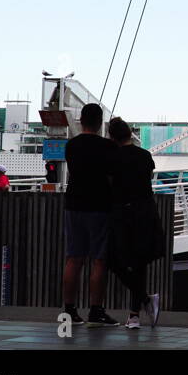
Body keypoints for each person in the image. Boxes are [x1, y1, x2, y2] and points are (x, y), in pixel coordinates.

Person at [62, 103, 120, 327]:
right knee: (98, 259)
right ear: (99, 123)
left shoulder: (71, 146)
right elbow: (114, 175)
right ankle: (96, 310)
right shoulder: (108, 147)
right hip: (99, 206)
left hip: (73, 204)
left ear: (81, 121)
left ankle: (69, 310)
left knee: (73, 258)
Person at [107, 117, 163, 329]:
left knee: (115, 261)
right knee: (140, 262)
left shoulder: (112, 158)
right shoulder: (145, 156)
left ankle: (144, 304)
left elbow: (110, 185)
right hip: (145, 212)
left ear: (112, 137)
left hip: (122, 213)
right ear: (130, 134)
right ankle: (134, 315)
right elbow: (146, 178)